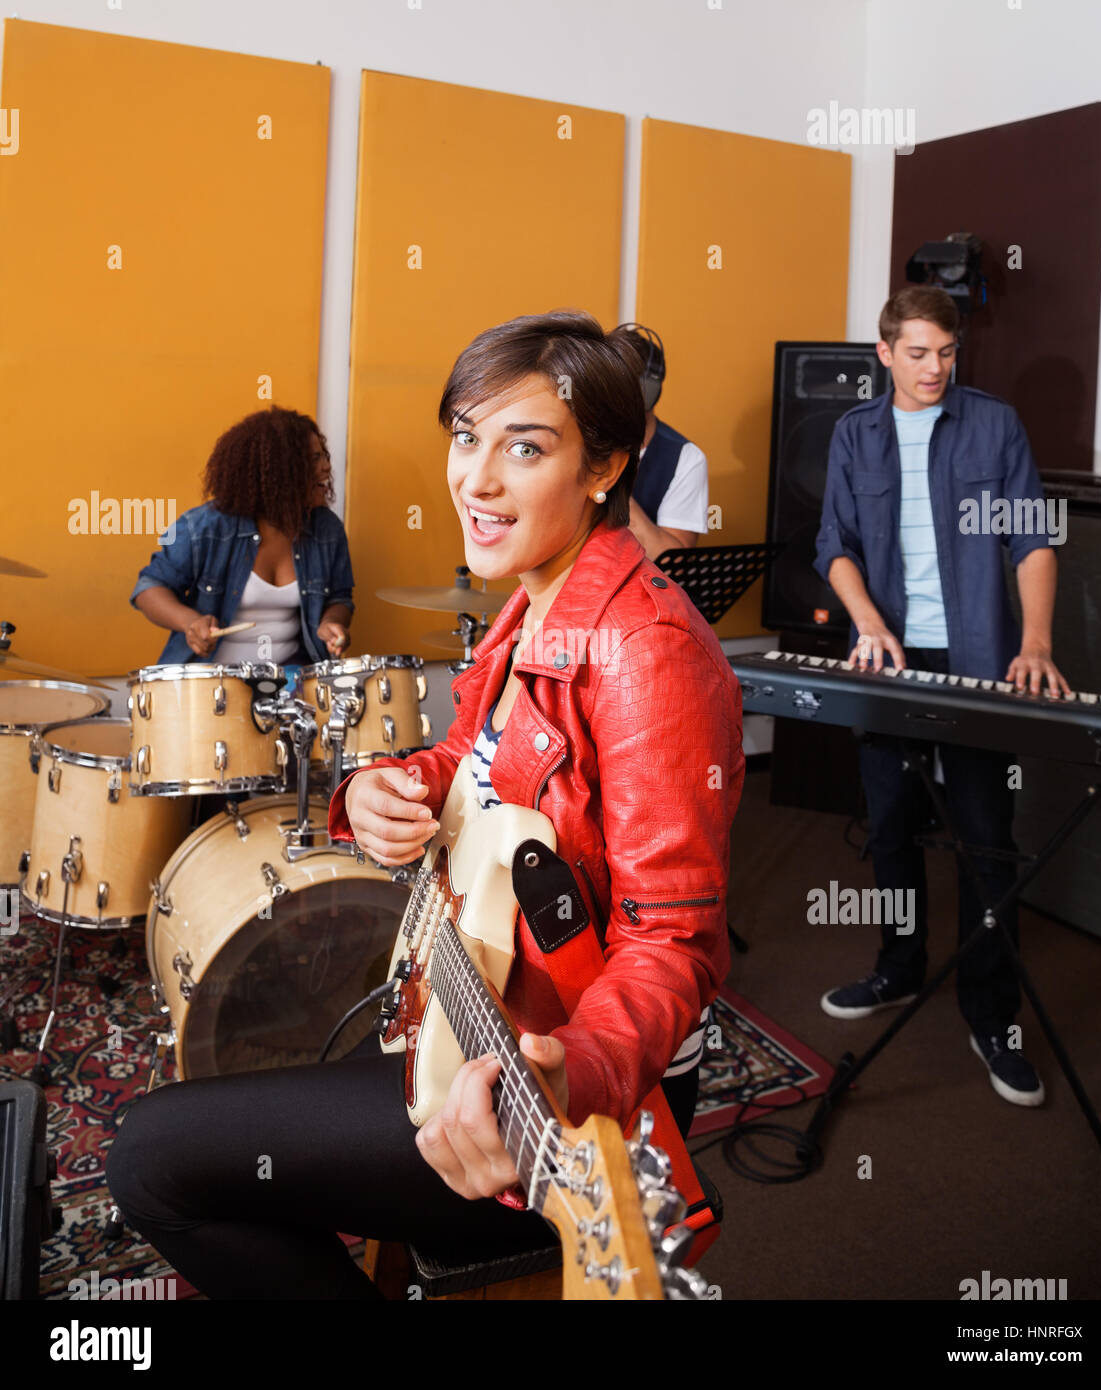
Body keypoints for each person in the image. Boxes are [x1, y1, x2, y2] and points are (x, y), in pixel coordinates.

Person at [105, 309, 745, 1298]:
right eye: (465, 437)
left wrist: (566, 1069)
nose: (476, 480)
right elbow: (466, 758)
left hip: (560, 1090)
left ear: (606, 464)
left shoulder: (646, 652)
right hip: (472, 993)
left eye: (523, 448)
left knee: (150, 1160)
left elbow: (675, 946)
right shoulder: (535, 598)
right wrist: (373, 788)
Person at [814, 285, 1069, 1107]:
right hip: (889, 657)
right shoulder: (854, 433)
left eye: (947, 353)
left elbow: (1032, 538)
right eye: (918, 353)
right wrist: (865, 625)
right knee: (889, 824)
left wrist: (1034, 643)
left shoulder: (993, 424)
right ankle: (898, 965)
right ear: (884, 353)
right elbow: (836, 548)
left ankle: (992, 1014)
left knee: (986, 837)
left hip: (978, 656)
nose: (935, 368)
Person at [130, 406, 353, 670]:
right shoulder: (205, 527)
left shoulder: (326, 530)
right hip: (211, 681)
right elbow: (149, 588)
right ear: (279, 473)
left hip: (290, 679)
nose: (326, 467)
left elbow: (340, 597)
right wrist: (190, 622)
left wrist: (330, 623)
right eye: (314, 459)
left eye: (323, 456)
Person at [609, 323, 709, 559]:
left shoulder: (685, 458)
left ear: (649, 389)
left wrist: (612, 488)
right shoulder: (576, 440)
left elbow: (673, 561)